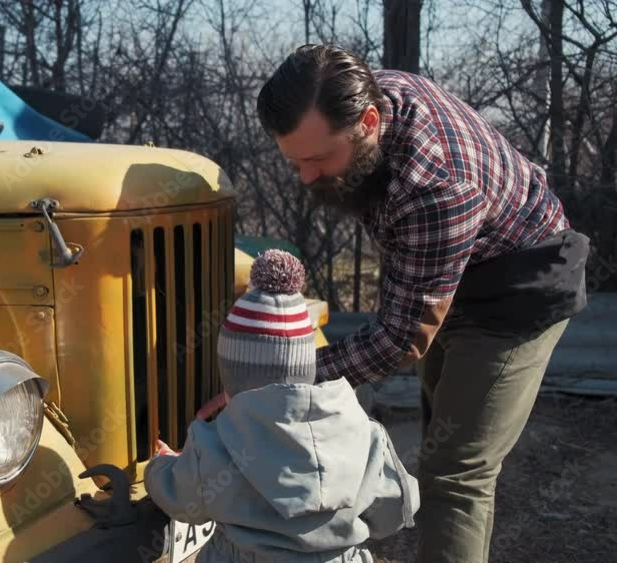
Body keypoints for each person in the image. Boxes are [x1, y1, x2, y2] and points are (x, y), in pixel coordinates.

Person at [198, 44, 590, 562]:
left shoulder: (433, 187)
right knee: (439, 430)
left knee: (456, 470)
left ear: (369, 121)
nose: (306, 177)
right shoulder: (353, 91)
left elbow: (399, 339)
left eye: (318, 159)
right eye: (294, 160)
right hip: (453, 267)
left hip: (519, 289)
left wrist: (273, 383)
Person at [146, 250, 419, 563]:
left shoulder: (214, 444)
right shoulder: (364, 434)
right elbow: (392, 510)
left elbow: (179, 497)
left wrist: (161, 464)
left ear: (230, 382)